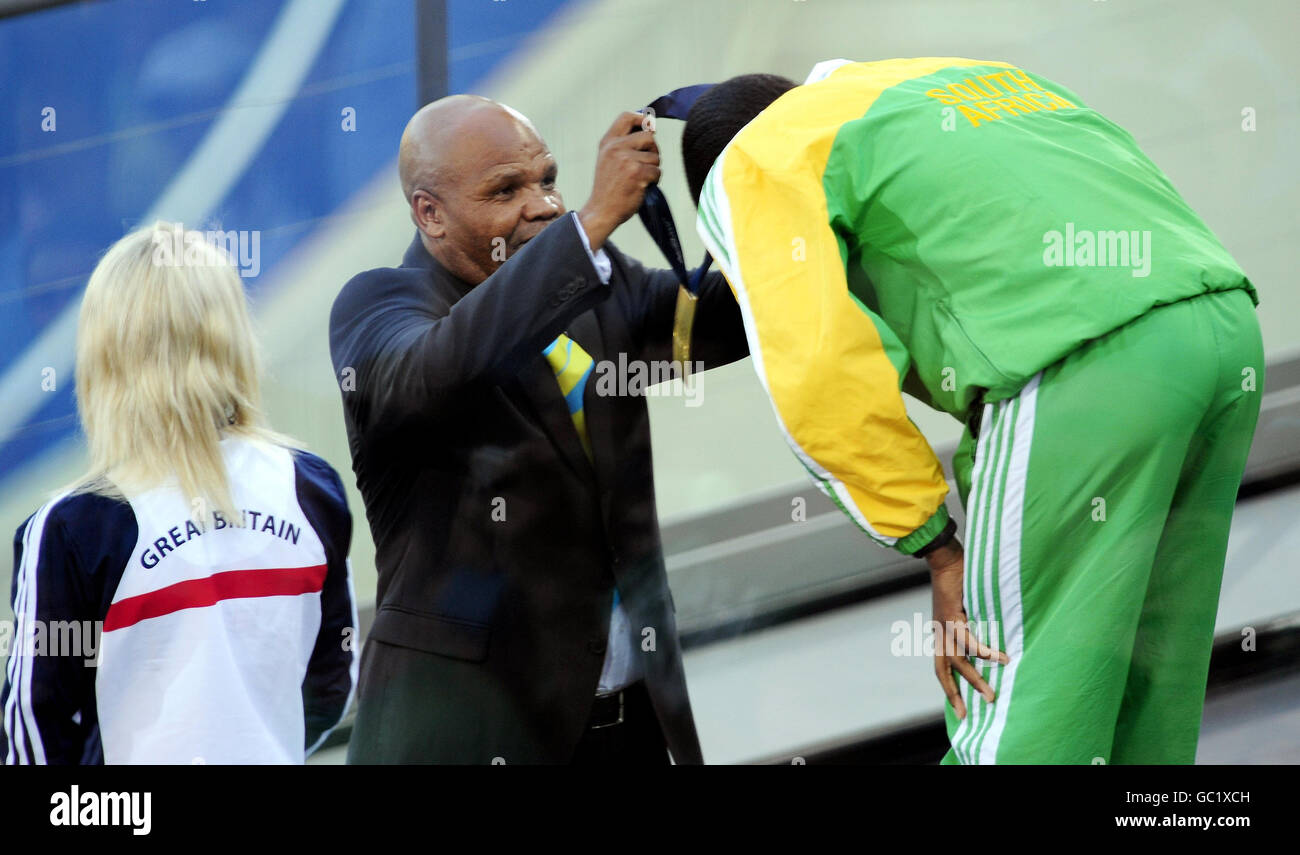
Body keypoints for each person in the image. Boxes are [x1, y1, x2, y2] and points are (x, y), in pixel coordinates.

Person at [683, 58, 1262, 764]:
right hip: (1221, 329)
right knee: (1149, 692)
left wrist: (934, 544)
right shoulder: (947, 80)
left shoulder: (752, 162)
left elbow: (818, 369)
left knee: (1017, 701)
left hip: (1082, 368)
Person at [329, 95, 748, 765]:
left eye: (548, 179)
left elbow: (734, 316)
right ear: (428, 213)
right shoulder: (380, 305)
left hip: (632, 725)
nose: (544, 204)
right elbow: (444, 371)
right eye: (506, 189)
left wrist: (777, 166)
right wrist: (593, 222)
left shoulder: (600, 293)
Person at [1, 223, 358, 765]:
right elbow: (335, 679)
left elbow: (33, 736)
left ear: (105, 352)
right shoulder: (309, 485)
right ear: (233, 335)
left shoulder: (71, 527)